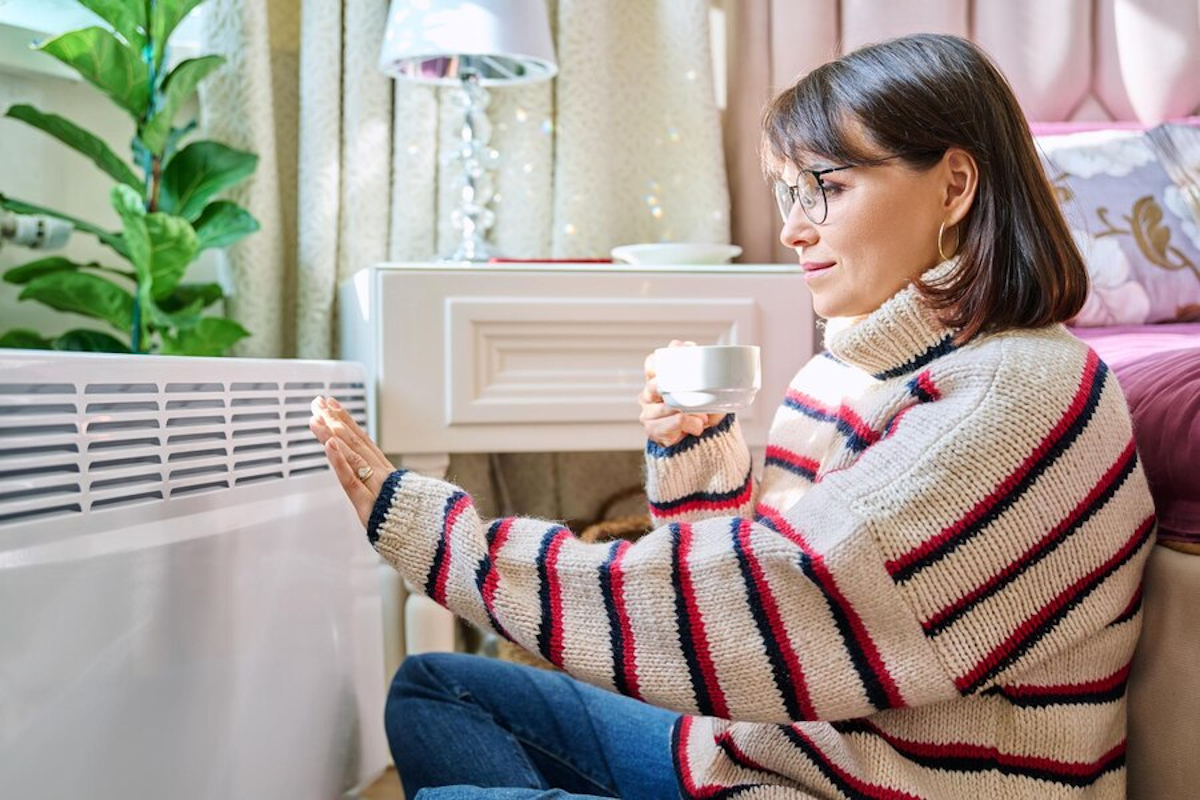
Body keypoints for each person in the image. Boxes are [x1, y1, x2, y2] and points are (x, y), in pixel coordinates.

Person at [311, 33, 1154, 800]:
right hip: (780, 754)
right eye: (788, 191)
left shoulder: (1018, 397)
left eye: (826, 186)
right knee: (435, 687)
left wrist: (450, 544)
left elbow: (778, 602)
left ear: (955, 185)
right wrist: (702, 471)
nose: (791, 228)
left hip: (884, 789)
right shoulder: (846, 372)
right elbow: (764, 630)